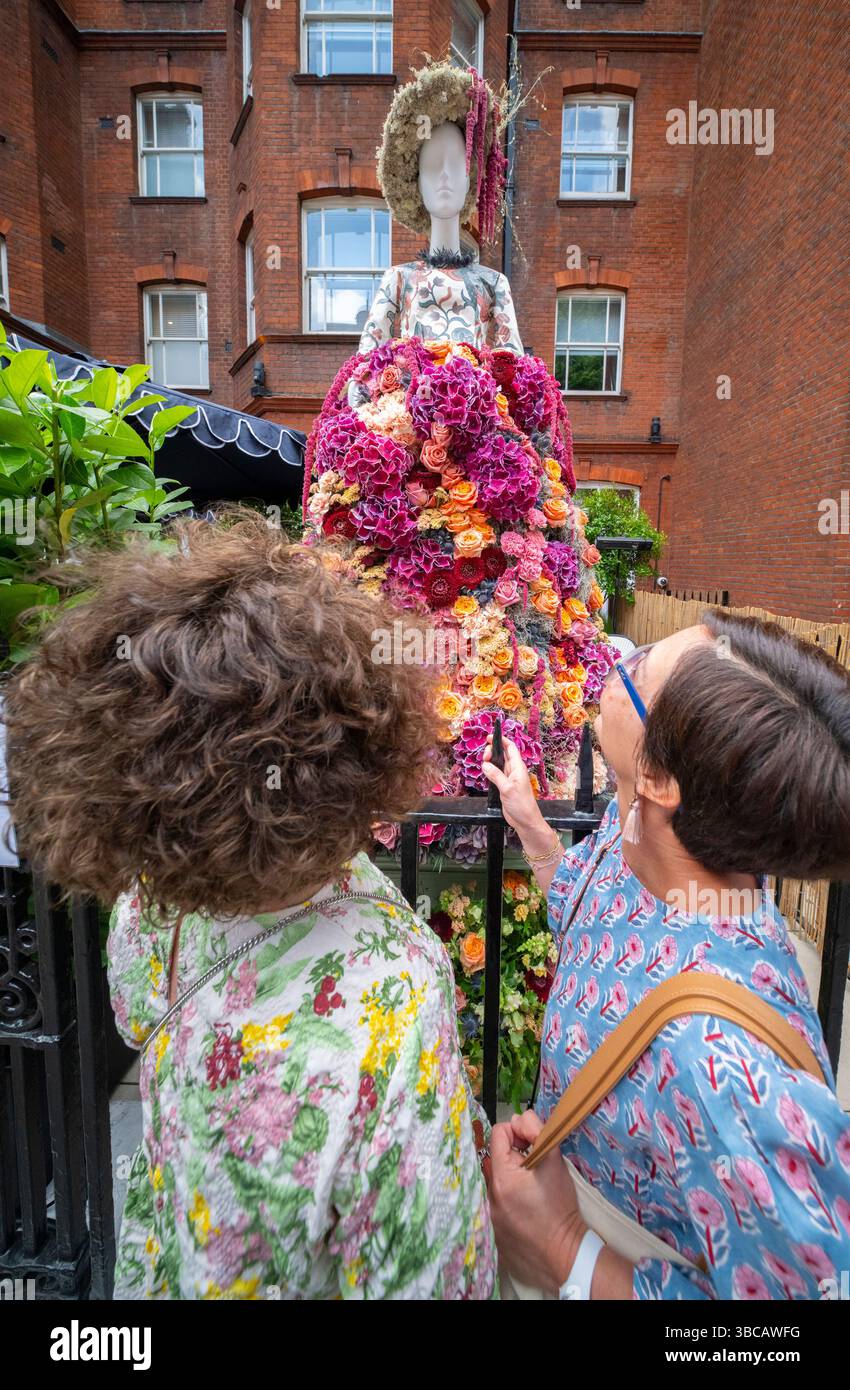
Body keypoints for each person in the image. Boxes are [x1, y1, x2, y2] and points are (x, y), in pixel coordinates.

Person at [5, 512, 495, 1300]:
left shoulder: (150, 903)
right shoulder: (390, 991)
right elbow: (431, 1274)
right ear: (359, 741)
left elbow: (136, 1020)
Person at [482, 610, 850, 1300]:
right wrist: (533, 828)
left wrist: (566, 1254)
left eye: (638, 666)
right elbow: (593, 923)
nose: (617, 661)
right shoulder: (656, 854)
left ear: (658, 777)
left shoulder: (727, 1066)